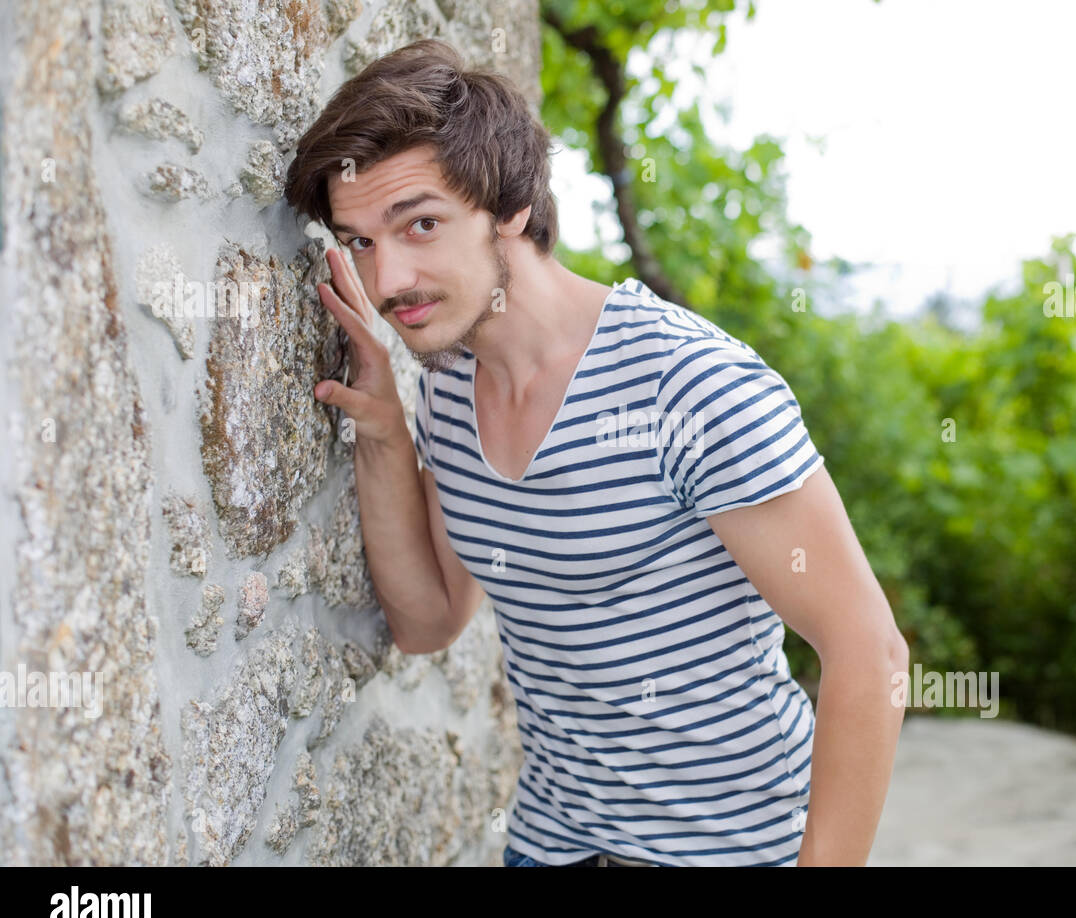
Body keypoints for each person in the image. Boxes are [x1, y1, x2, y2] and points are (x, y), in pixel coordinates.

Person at [285, 37, 909, 867]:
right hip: (552, 848)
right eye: (360, 242)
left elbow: (870, 651)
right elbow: (430, 621)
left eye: (421, 224)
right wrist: (386, 434)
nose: (389, 277)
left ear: (509, 206)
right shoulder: (444, 389)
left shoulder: (689, 386)